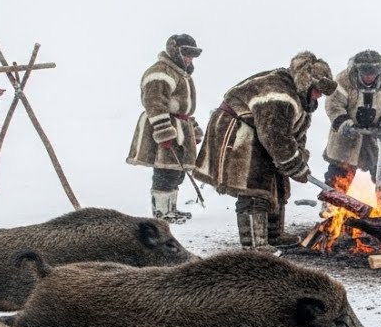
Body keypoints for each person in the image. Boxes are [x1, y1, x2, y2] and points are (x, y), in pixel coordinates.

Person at [194, 50, 337, 252]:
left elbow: (295, 135)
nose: (319, 96)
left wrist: (298, 162)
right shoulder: (279, 96)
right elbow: (275, 137)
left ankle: (273, 234)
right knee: (255, 184)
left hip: (259, 132)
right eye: (317, 90)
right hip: (238, 130)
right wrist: (294, 165)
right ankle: (255, 243)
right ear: (307, 83)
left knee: (278, 179)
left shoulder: (299, 98)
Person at [125, 33, 203, 224]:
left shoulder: (179, 73)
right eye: (187, 54)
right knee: (165, 171)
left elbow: (184, 109)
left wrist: (193, 129)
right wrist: (164, 132)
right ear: (175, 50)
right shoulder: (160, 72)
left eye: (192, 55)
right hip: (163, 124)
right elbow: (155, 104)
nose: (190, 59)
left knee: (177, 171)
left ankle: (171, 209)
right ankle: (161, 213)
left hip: (179, 127)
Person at [322, 49, 381, 206]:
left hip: (377, 137)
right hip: (347, 139)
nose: (369, 76)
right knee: (338, 175)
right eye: (365, 72)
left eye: (373, 73)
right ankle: (331, 209)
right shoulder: (343, 80)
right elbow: (333, 105)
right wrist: (345, 124)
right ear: (358, 70)